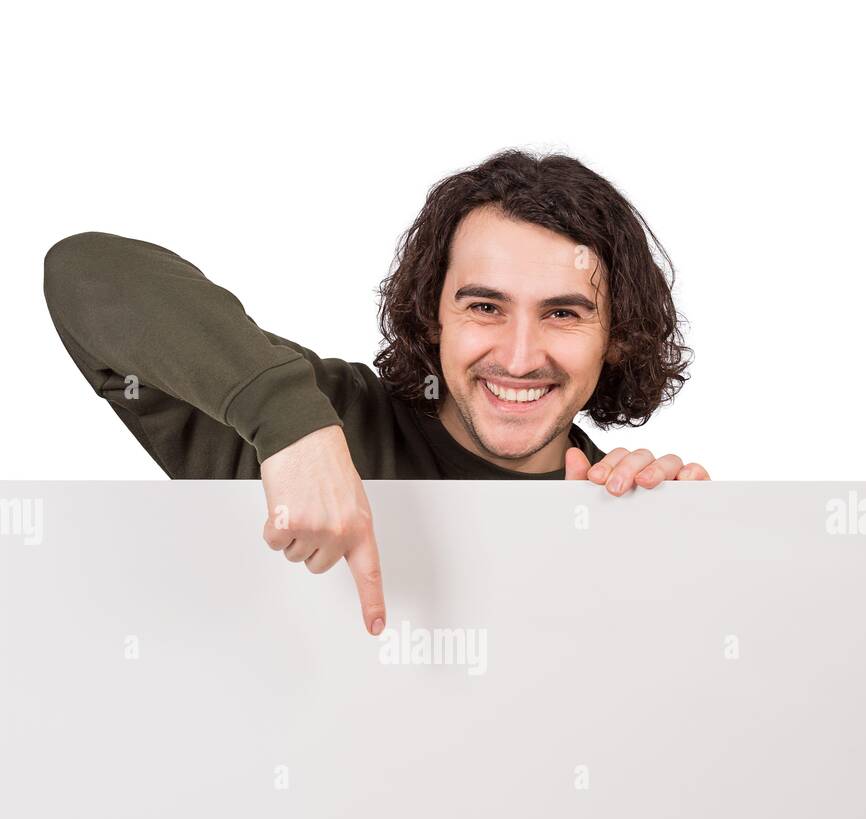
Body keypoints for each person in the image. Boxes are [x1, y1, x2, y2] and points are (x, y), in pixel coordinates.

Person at [43, 148, 709, 636]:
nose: (518, 355)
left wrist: (664, 556)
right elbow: (85, 271)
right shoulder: (326, 418)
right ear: (432, 315)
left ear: (616, 338)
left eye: (563, 314)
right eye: (484, 307)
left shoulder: (615, 509)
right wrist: (291, 428)